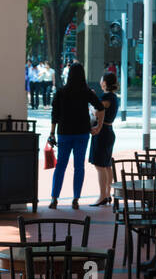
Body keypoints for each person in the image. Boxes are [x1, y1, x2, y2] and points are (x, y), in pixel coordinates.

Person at [46, 62, 104, 210]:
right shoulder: (86, 92)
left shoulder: (61, 92)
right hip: (82, 133)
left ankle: (54, 198)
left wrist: (52, 133)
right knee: (79, 167)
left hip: (64, 133)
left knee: (61, 166)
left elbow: (55, 115)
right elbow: (100, 107)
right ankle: (76, 199)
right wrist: (99, 126)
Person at [88, 71, 119, 205]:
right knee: (106, 165)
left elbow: (97, 110)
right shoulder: (113, 96)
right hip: (109, 130)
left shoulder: (106, 97)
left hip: (102, 132)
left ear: (105, 83)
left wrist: (93, 101)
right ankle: (107, 194)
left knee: (100, 165)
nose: (100, 82)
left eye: (101, 80)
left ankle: (103, 195)